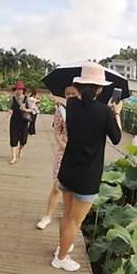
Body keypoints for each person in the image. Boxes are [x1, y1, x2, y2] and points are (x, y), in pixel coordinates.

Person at [51, 62, 122, 272]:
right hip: (87, 176)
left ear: (80, 86)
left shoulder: (71, 106)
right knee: (75, 221)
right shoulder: (105, 112)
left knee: (66, 216)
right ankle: (62, 258)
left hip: (69, 169)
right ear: (99, 88)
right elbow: (117, 138)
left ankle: (61, 249)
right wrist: (116, 113)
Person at [36, 86, 79, 230]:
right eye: (68, 94)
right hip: (64, 150)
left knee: (75, 189)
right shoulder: (61, 111)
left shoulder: (86, 111)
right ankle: (48, 215)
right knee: (57, 186)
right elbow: (57, 132)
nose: (71, 96)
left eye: (74, 93)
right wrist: (64, 145)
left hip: (81, 154)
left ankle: (68, 215)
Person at [8, 80, 35, 164]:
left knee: (23, 139)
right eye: (17, 89)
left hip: (23, 121)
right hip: (14, 121)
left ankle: (20, 149)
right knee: (13, 138)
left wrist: (25, 109)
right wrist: (10, 112)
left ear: (23, 90)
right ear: (15, 89)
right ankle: (14, 157)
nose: (19, 91)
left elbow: (32, 110)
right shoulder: (13, 98)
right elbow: (10, 108)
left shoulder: (27, 99)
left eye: (20, 89)